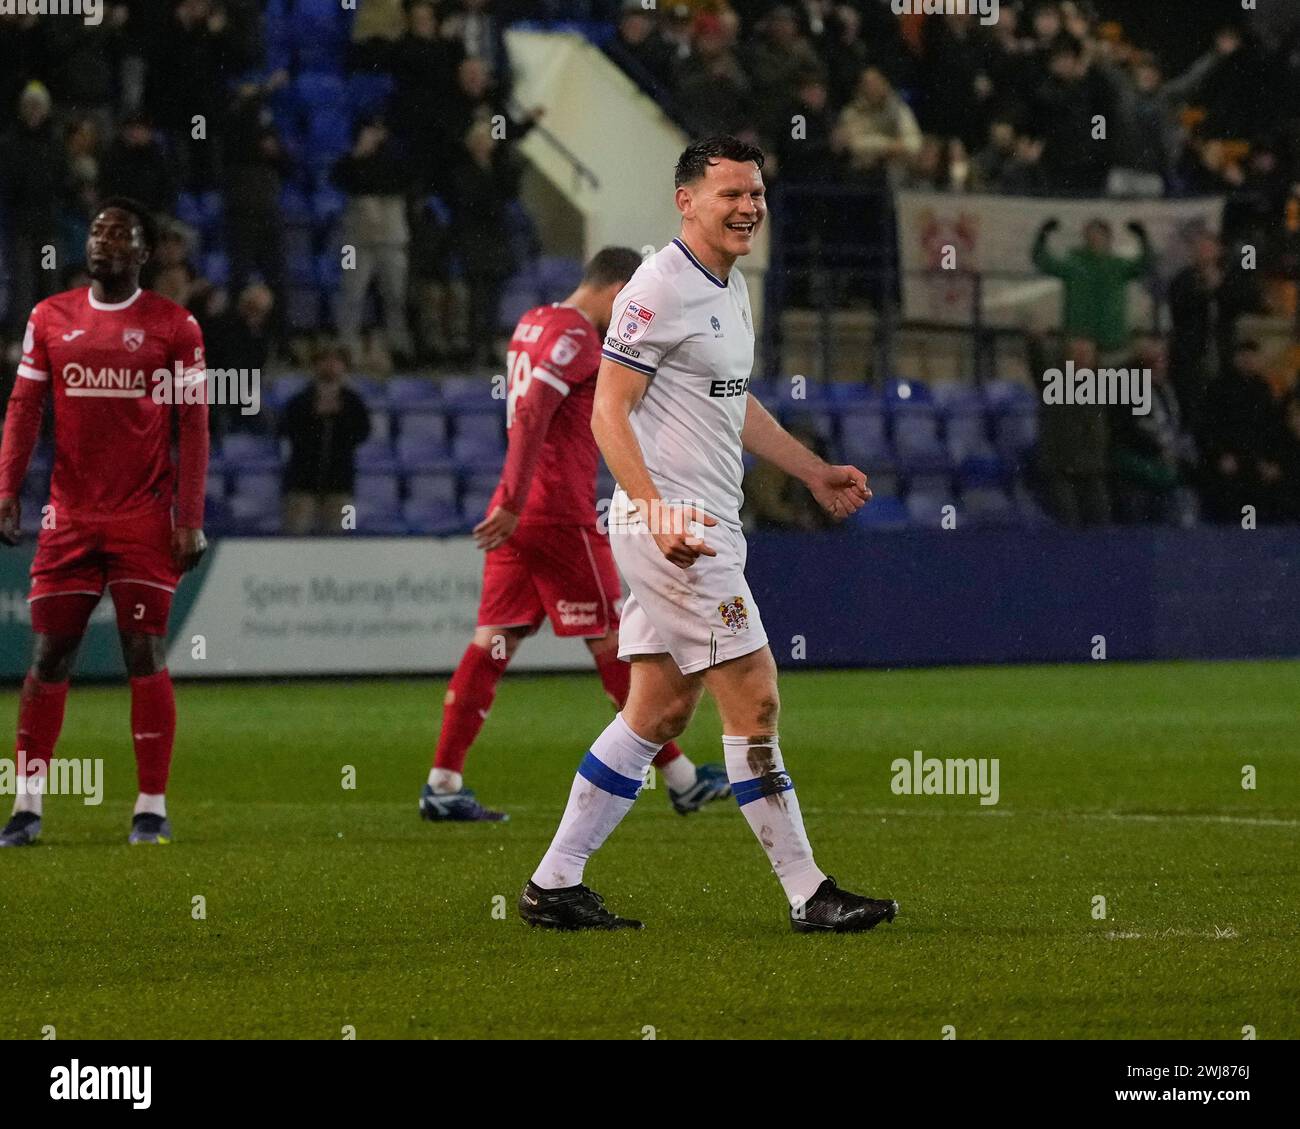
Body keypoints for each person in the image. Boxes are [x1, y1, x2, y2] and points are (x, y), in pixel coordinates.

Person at [519, 136, 897, 933]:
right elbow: (605, 409)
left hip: (699, 521)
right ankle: (808, 891)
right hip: (677, 528)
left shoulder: (728, 284)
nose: (749, 207)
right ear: (685, 201)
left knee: (656, 711)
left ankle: (553, 884)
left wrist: (811, 469)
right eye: (731, 194)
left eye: (756, 193)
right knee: (754, 698)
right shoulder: (656, 287)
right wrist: (656, 507)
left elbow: (735, 402)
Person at [421, 247, 729, 823]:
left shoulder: (532, 321)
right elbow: (536, 409)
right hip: (557, 512)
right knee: (614, 639)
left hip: (521, 512)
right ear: (616, 292)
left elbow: (530, 406)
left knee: (493, 641)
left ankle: (443, 780)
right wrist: (515, 500)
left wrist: (510, 499)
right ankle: (683, 778)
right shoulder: (579, 338)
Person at [0, 198, 210, 847]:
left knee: (143, 650)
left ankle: (150, 806)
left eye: (121, 235)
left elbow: (194, 426)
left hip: (144, 518)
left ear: (144, 254)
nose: (105, 241)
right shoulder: (50, 317)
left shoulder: (175, 327)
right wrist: (7, 487)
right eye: (97, 232)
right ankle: (27, 805)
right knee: (49, 654)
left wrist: (189, 516)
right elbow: (24, 408)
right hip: (70, 518)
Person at [278, 342, 371, 535]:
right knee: (293, 536)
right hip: (301, 484)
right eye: (324, 360)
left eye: (336, 361)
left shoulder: (354, 402)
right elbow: (286, 430)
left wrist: (340, 416)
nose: (330, 365)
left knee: (343, 535)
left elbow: (362, 433)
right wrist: (315, 415)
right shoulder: (300, 400)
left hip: (342, 485)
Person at [1032, 217, 1152, 361]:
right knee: (1080, 381)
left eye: (1098, 235)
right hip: (1080, 343)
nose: (1094, 239)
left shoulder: (1118, 266)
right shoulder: (1074, 264)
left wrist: (1143, 237)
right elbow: (1043, 261)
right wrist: (1043, 235)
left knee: (1110, 381)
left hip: (1111, 342)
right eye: (1090, 235)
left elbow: (1145, 264)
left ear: (1108, 238)